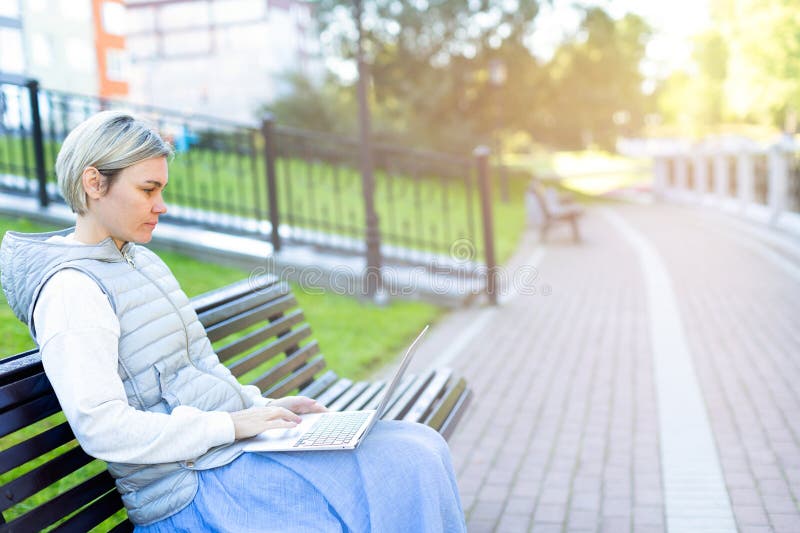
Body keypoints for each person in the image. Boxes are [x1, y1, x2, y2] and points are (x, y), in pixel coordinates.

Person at [0, 111, 466, 532]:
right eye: (148, 190)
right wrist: (233, 425)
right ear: (94, 183)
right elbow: (102, 427)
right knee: (405, 466)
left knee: (418, 446)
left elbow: (201, 366)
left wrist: (266, 409)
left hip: (230, 456)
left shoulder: (141, 262)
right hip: (191, 493)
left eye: (161, 189)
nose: (161, 205)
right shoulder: (71, 292)